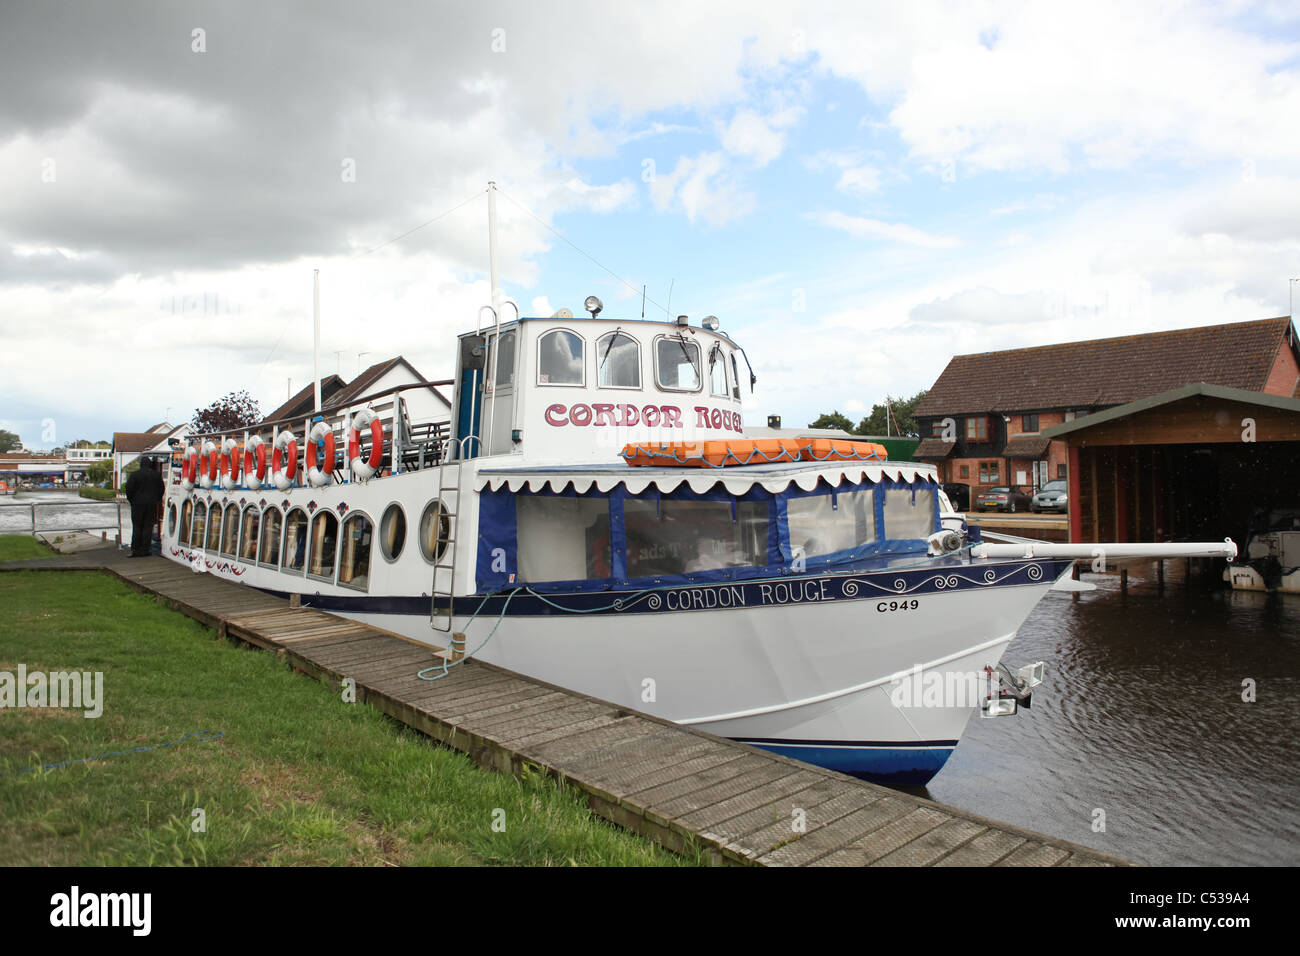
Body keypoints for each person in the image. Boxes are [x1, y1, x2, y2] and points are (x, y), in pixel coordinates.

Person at [124, 458, 165, 557]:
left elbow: (129, 490)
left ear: (141, 464)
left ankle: (135, 549)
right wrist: (156, 500)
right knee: (148, 526)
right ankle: (145, 549)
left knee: (137, 526)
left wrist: (132, 501)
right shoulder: (156, 475)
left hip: (137, 504)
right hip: (151, 504)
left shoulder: (134, 475)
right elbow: (161, 489)